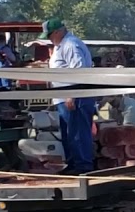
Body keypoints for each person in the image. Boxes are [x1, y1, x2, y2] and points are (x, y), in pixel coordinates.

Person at [40, 18, 96, 174]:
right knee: (69, 134)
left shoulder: (71, 45)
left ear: (58, 32)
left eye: (50, 35)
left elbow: (78, 71)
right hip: (64, 97)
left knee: (78, 133)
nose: (49, 39)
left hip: (75, 98)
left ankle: (83, 166)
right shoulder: (61, 46)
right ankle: (73, 164)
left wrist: (72, 95)